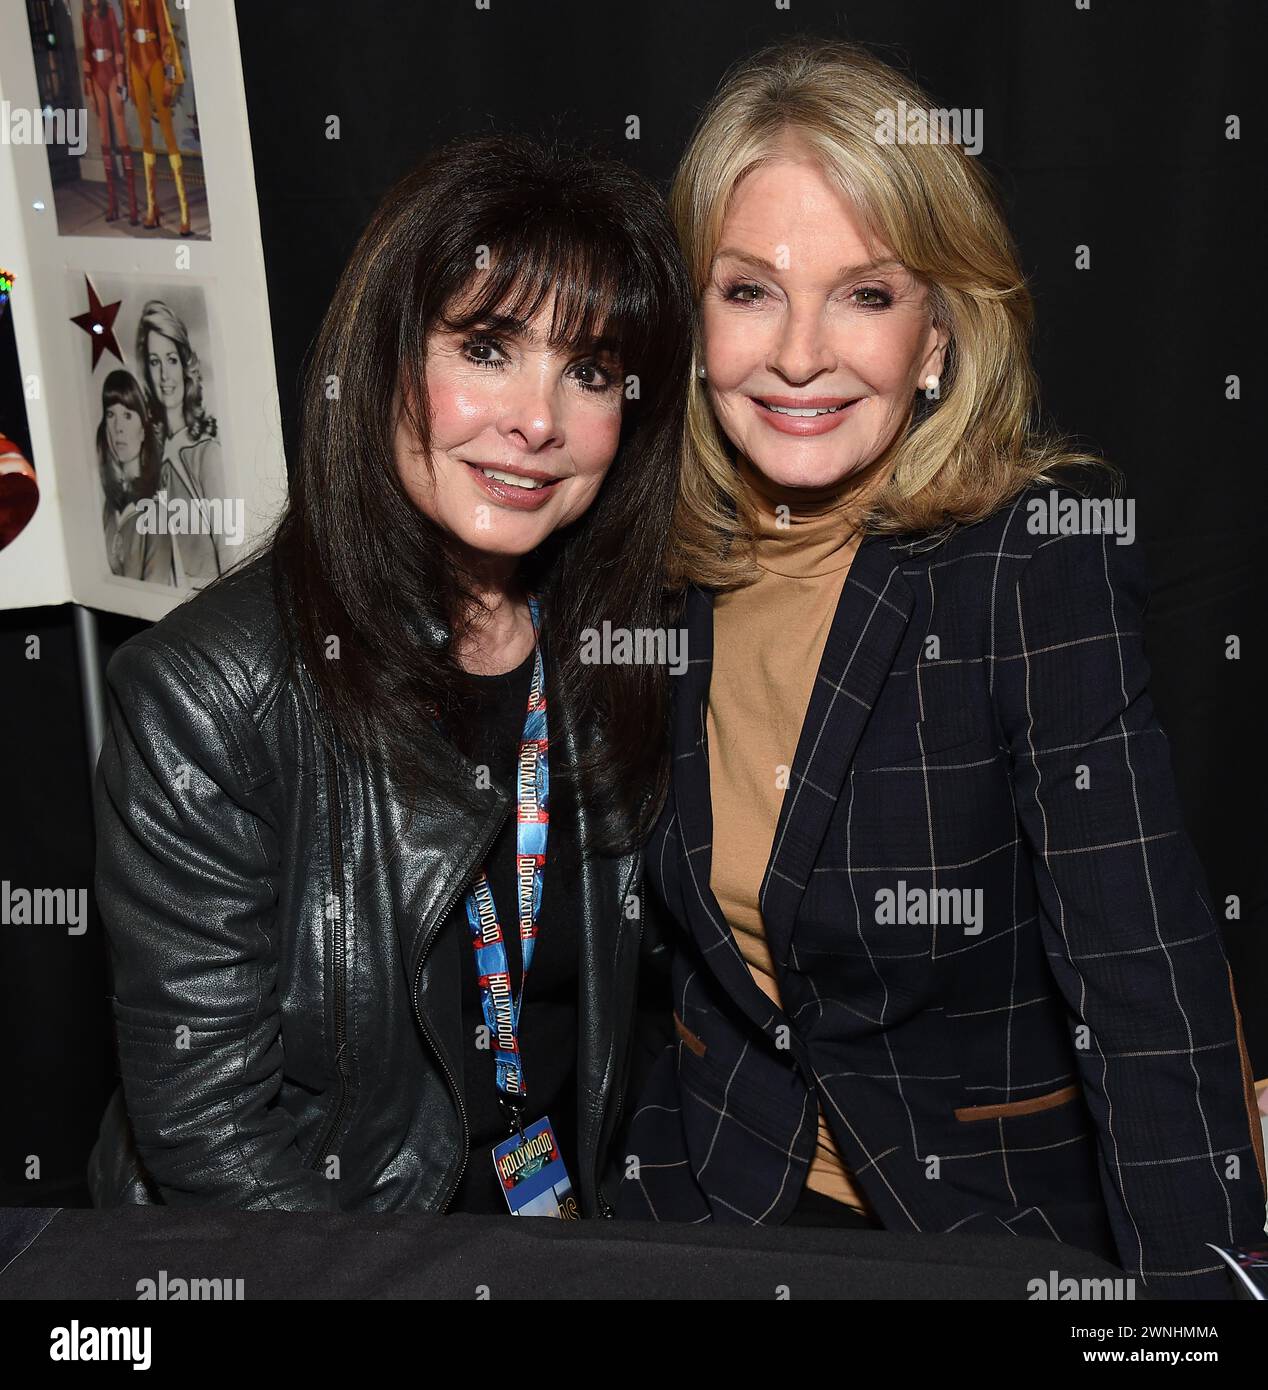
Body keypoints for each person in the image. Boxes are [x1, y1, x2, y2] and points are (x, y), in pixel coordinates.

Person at [616, 37, 1267, 1299]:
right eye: (749, 290)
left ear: (936, 338)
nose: (798, 354)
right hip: (701, 1195)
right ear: (691, 322)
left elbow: (1141, 973)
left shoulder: (1030, 565)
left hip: (973, 1227)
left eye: (864, 294)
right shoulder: (648, 555)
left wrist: (1201, 1299)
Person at [87, 131, 692, 1217]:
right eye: (487, 347)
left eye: (589, 370)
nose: (538, 422)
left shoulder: (618, 656)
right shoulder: (208, 694)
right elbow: (212, 1142)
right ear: (381, 357)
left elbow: (642, 1040)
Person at [136, 298, 223, 584]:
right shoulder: (149, 456)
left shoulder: (207, 454)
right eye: (154, 361)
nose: (164, 375)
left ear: (185, 365)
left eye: (171, 360)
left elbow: (229, 555)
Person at [96, 367, 173, 582]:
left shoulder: (155, 513)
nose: (118, 427)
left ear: (143, 430)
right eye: (111, 414)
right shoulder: (109, 508)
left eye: (127, 415)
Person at [123, 0, 190, 233]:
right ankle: (152, 209)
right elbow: (128, 38)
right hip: (136, 64)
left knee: (168, 133)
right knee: (145, 135)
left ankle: (184, 211)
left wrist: (170, 77)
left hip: (155, 61)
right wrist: (130, 79)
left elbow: (166, 35)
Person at [81, 0, 139, 225]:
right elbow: (86, 51)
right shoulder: (85, 16)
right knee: (104, 135)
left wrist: (122, 78)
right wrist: (89, 89)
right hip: (96, 76)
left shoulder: (110, 13)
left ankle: (133, 206)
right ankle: (112, 204)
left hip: (112, 74)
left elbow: (117, 45)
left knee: (121, 131)